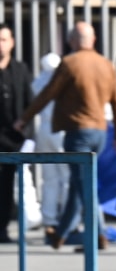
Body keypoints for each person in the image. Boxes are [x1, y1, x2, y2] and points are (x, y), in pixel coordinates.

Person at [16, 21, 116, 251]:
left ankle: (94, 235)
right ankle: (62, 233)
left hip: (78, 132)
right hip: (100, 132)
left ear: (72, 41)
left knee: (82, 185)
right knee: (83, 184)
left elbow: (47, 94)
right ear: (93, 40)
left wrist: (24, 118)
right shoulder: (106, 65)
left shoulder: (70, 63)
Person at [30, 39, 68, 238]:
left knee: (49, 179)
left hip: (43, 130)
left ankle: (49, 220)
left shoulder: (37, 82)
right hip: (59, 129)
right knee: (68, 178)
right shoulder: (61, 80)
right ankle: (68, 220)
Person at [0, 23, 34, 243]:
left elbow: (30, 104)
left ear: (12, 42)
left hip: (11, 141)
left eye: (4, 39)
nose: (0, 45)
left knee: (5, 187)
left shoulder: (20, 70)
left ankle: (2, 227)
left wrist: (27, 135)